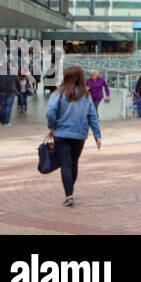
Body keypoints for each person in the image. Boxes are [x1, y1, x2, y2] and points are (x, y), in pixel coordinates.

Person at [44, 66, 102, 207]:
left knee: (65, 164)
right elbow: (92, 116)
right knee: (74, 163)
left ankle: (68, 195)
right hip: (79, 135)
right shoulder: (86, 96)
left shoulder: (58, 94)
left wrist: (53, 124)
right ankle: (70, 191)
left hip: (61, 134)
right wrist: (97, 135)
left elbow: (50, 112)